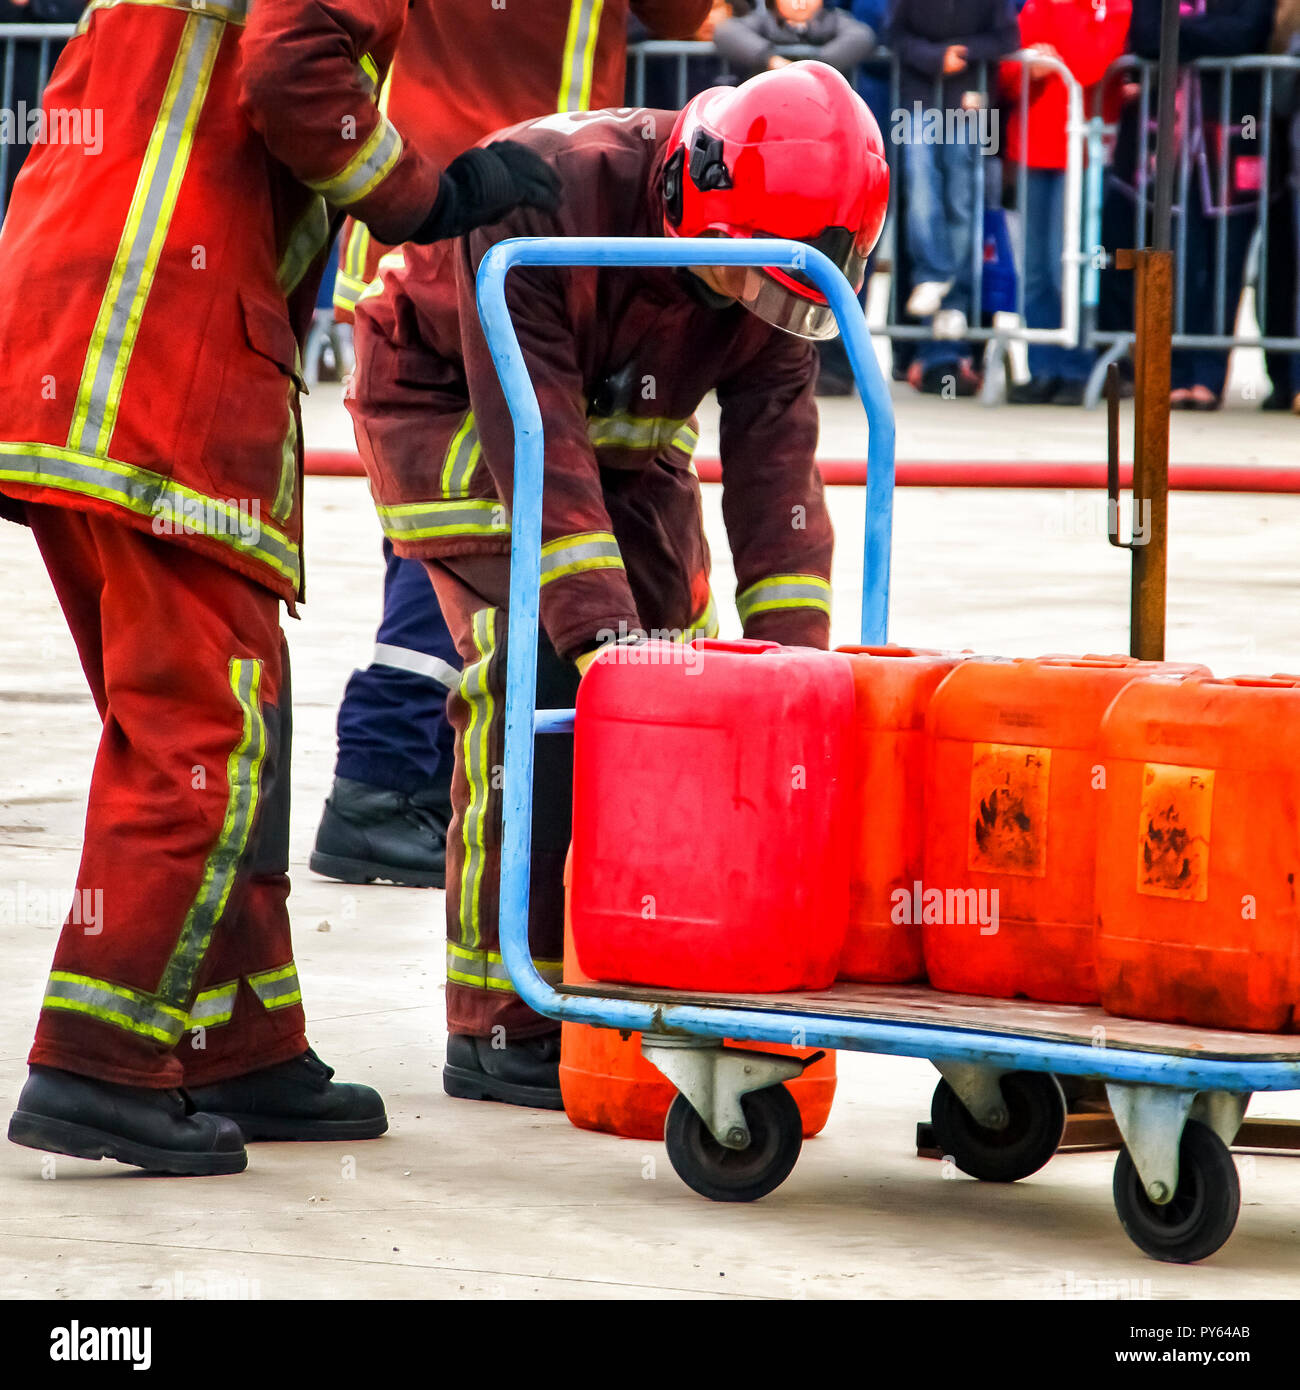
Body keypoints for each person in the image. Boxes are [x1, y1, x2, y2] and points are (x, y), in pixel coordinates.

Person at [0, 0, 558, 1175]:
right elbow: (295, 60)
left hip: (83, 328)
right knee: (203, 727)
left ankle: (238, 1032)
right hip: (160, 347)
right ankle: (98, 1061)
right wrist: (426, 198)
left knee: (223, 711)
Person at [347, 62, 890, 1109]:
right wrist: (597, 636)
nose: (764, 307)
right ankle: (502, 1018)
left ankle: (637, 969)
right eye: (752, 282)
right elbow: (534, 430)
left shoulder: (779, 262)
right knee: (538, 677)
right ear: (694, 199)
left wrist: (800, 671)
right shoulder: (553, 197)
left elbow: (778, 468)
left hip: (622, 439)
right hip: (452, 408)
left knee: (694, 690)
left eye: (790, 293)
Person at [312, 0, 712, 892]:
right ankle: (379, 776)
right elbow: (690, 14)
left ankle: (387, 777)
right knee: (474, 531)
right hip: (509, 224)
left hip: (450, 216)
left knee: (459, 526)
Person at [1001, 0, 1132, 406]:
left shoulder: (1111, 5)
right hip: (1033, 146)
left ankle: (1075, 367)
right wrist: (1031, 67)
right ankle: (1043, 368)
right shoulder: (1040, 4)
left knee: (1070, 267)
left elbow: (1091, 66)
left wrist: (1052, 47)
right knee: (1036, 268)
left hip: (1083, 149)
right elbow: (1007, 71)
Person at [888, 0, 1019, 396]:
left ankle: (954, 298)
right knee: (923, 195)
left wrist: (962, 54)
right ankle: (935, 277)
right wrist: (934, 57)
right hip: (917, 102)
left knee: (963, 204)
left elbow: (1007, 37)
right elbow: (892, 34)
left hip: (971, 103)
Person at [712, 0, 878, 80]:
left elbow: (862, 36)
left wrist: (814, 67)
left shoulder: (833, 20)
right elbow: (726, 31)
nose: (800, 3)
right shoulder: (764, 21)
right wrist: (772, 61)